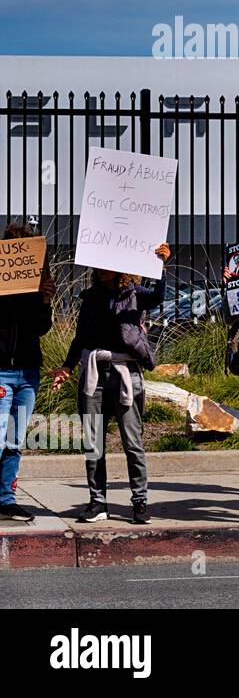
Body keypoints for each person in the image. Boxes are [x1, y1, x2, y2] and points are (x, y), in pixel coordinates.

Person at [50, 243, 171, 525]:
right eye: (99, 263)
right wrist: (66, 367)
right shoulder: (90, 297)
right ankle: (98, 501)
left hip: (125, 372)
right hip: (94, 372)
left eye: (109, 263)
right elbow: (80, 337)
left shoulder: (133, 294)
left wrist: (161, 266)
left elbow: (157, 297)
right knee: (94, 443)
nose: (103, 268)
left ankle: (140, 501)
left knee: (133, 441)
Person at [0, 222, 56, 522]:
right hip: (1, 373)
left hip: (28, 373)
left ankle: (6, 500)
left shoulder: (36, 289)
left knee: (14, 440)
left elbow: (41, 328)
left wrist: (45, 299)